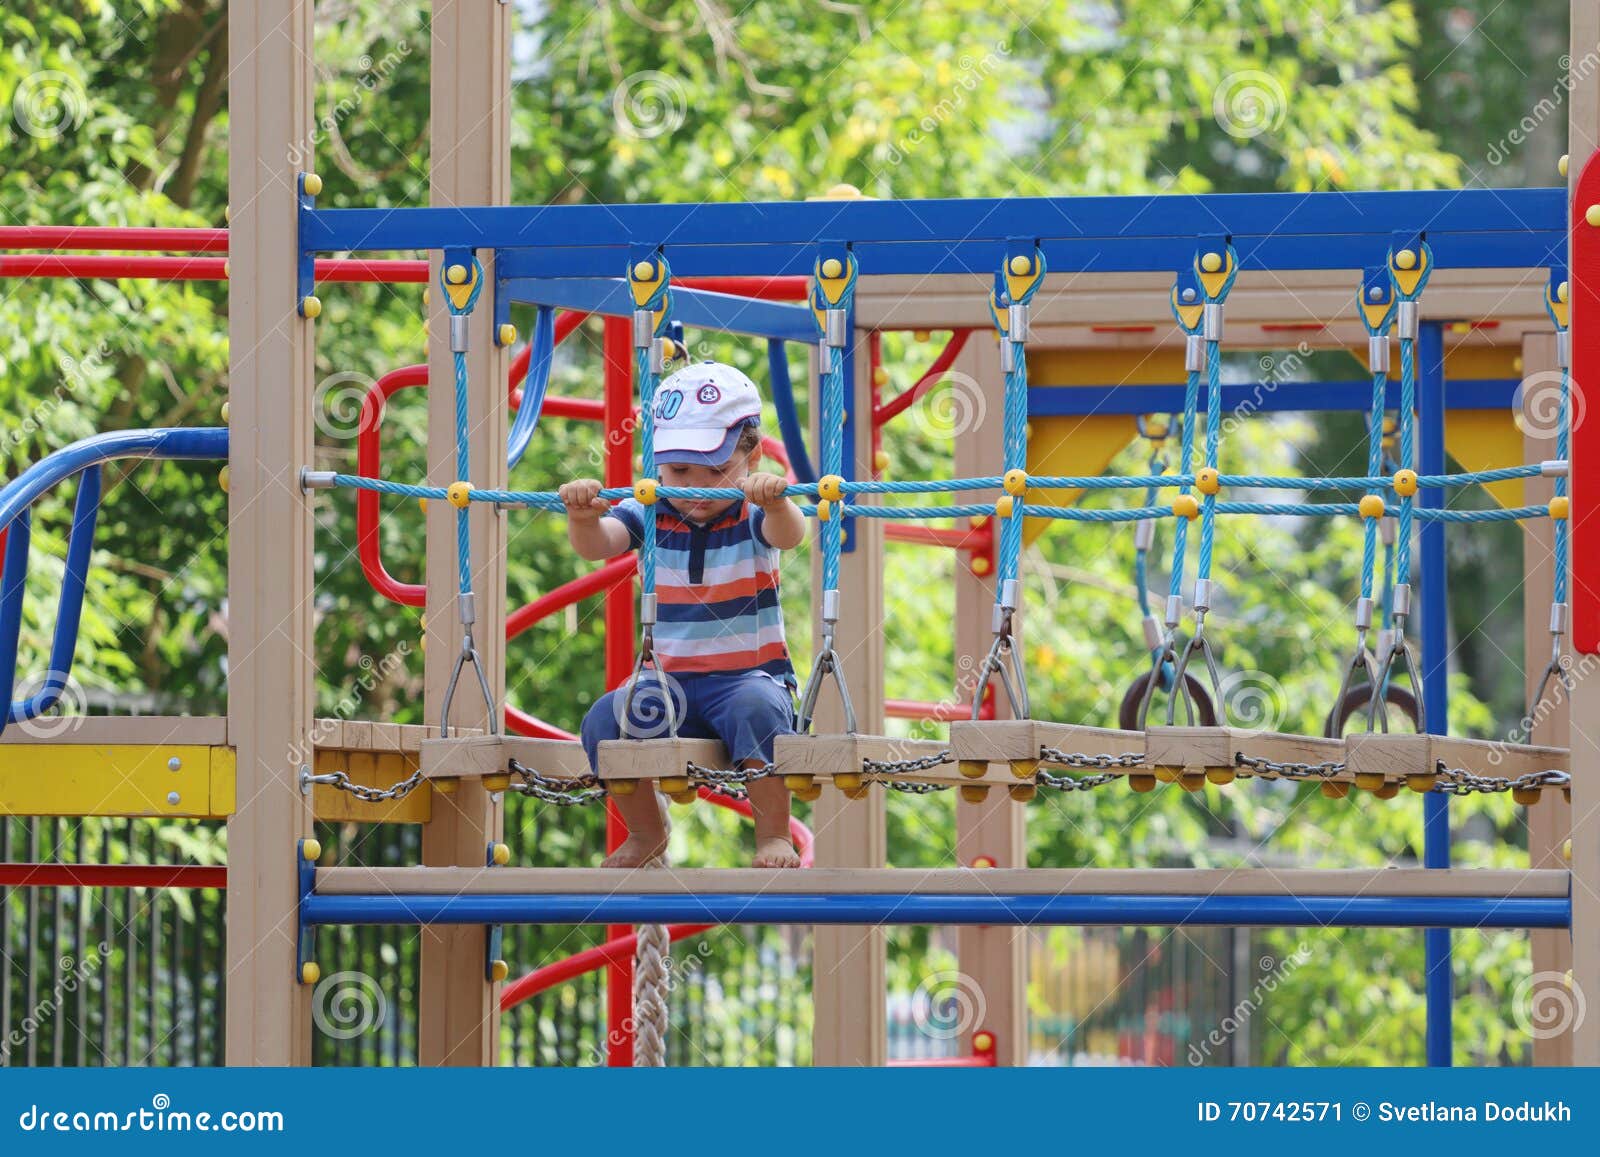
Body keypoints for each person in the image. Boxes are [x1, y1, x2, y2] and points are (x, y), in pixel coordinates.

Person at [559, 361, 806, 868]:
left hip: (747, 679)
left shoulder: (750, 510)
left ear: (751, 457)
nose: (693, 488)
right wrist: (584, 517)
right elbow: (599, 545)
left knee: (758, 711)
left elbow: (790, 535)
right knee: (604, 720)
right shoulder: (650, 509)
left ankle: (773, 834)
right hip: (667, 687)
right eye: (676, 472)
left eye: (713, 471)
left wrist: (777, 504)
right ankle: (648, 831)